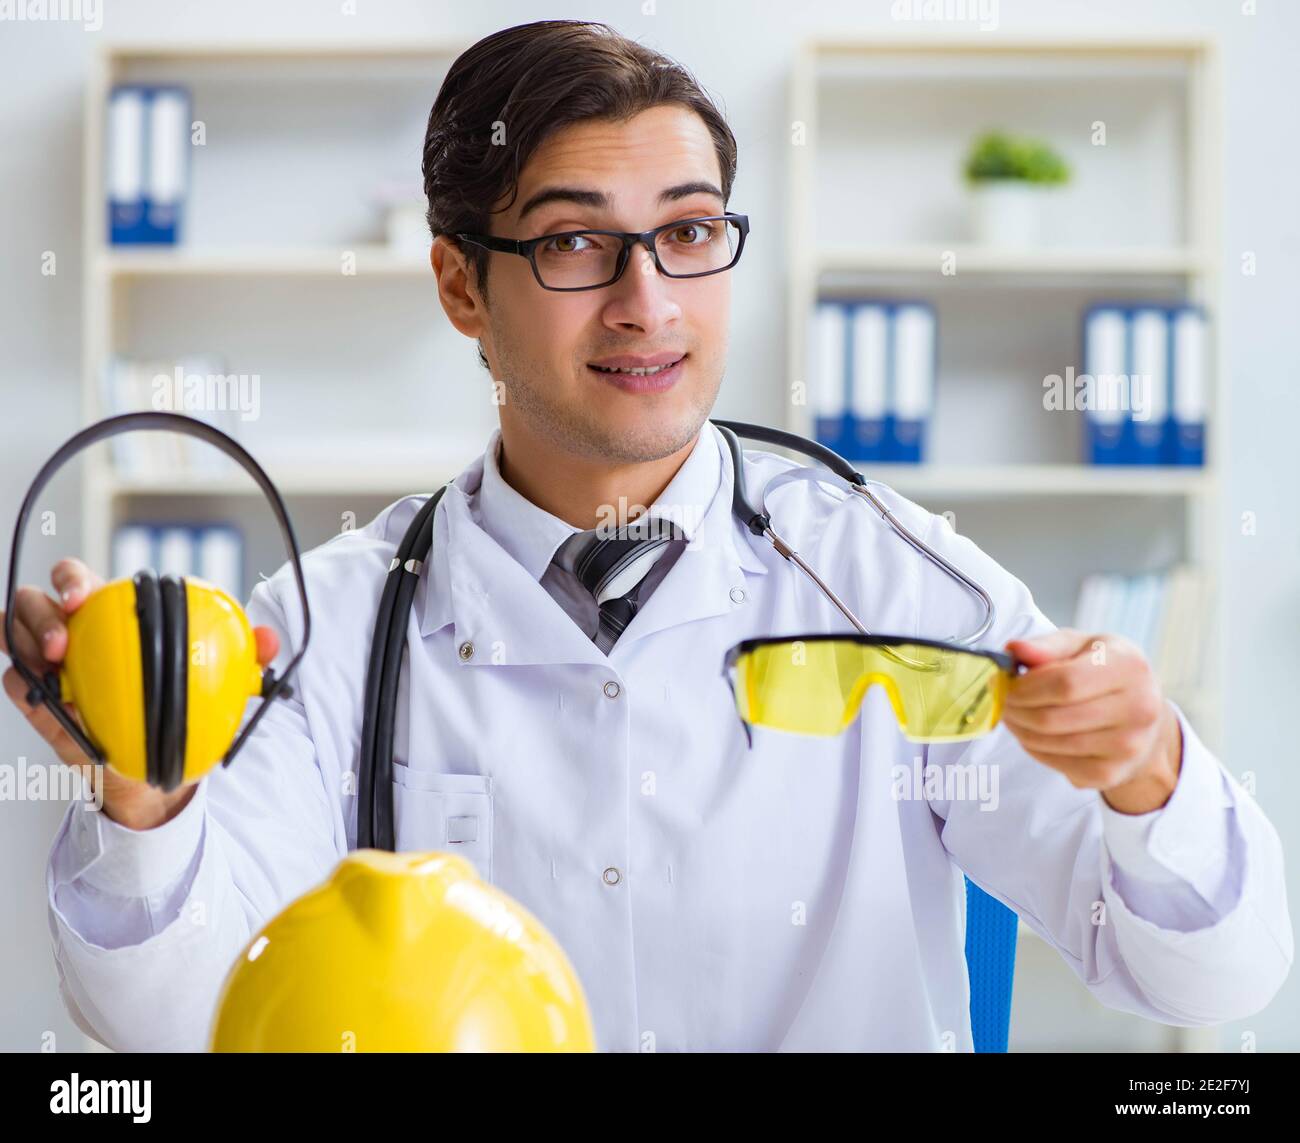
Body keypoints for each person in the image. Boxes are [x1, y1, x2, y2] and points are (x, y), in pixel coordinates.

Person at [2, 19, 1291, 1052]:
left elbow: (1212, 968)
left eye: (687, 233)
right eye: (575, 242)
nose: (648, 303)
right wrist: (146, 791)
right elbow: (170, 1029)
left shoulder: (891, 580)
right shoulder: (334, 621)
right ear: (462, 285)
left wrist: (1148, 774)